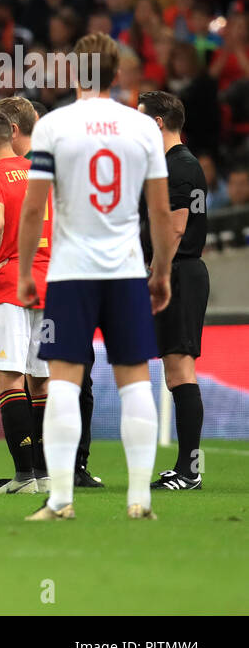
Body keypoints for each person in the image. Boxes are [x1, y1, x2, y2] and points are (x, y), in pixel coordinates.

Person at [19, 33, 174, 522]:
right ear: (118, 74)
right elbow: (160, 211)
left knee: (64, 381)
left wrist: (25, 271)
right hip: (127, 270)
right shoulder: (144, 128)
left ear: (73, 73)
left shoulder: (54, 126)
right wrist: (162, 270)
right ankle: (140, 500)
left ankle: (61, 500)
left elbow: (33, 209)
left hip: (70, 273)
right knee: (134, 381)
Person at [0, 95, 102, 487]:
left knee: (15, 377)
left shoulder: (5, 175)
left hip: (18, 284)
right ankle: (54, 471)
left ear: (12, 130)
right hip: (61, 284)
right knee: (52, 380)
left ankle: (29, 473)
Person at [0, 110, 52, 494]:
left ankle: (23, 477)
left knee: (10, 380)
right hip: (50, 284)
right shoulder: (42, 172)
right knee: (42, 383)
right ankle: (43, 471)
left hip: (9, 287)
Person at [137, 91, 209, 490]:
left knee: (180, 367)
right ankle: (186, 467)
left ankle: (190, 471)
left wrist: (156, 272)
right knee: (174, 368)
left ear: (158, 122)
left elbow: (176, 227)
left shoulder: (179, 167)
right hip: (177, 270)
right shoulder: (174, 164)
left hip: (178, 272)